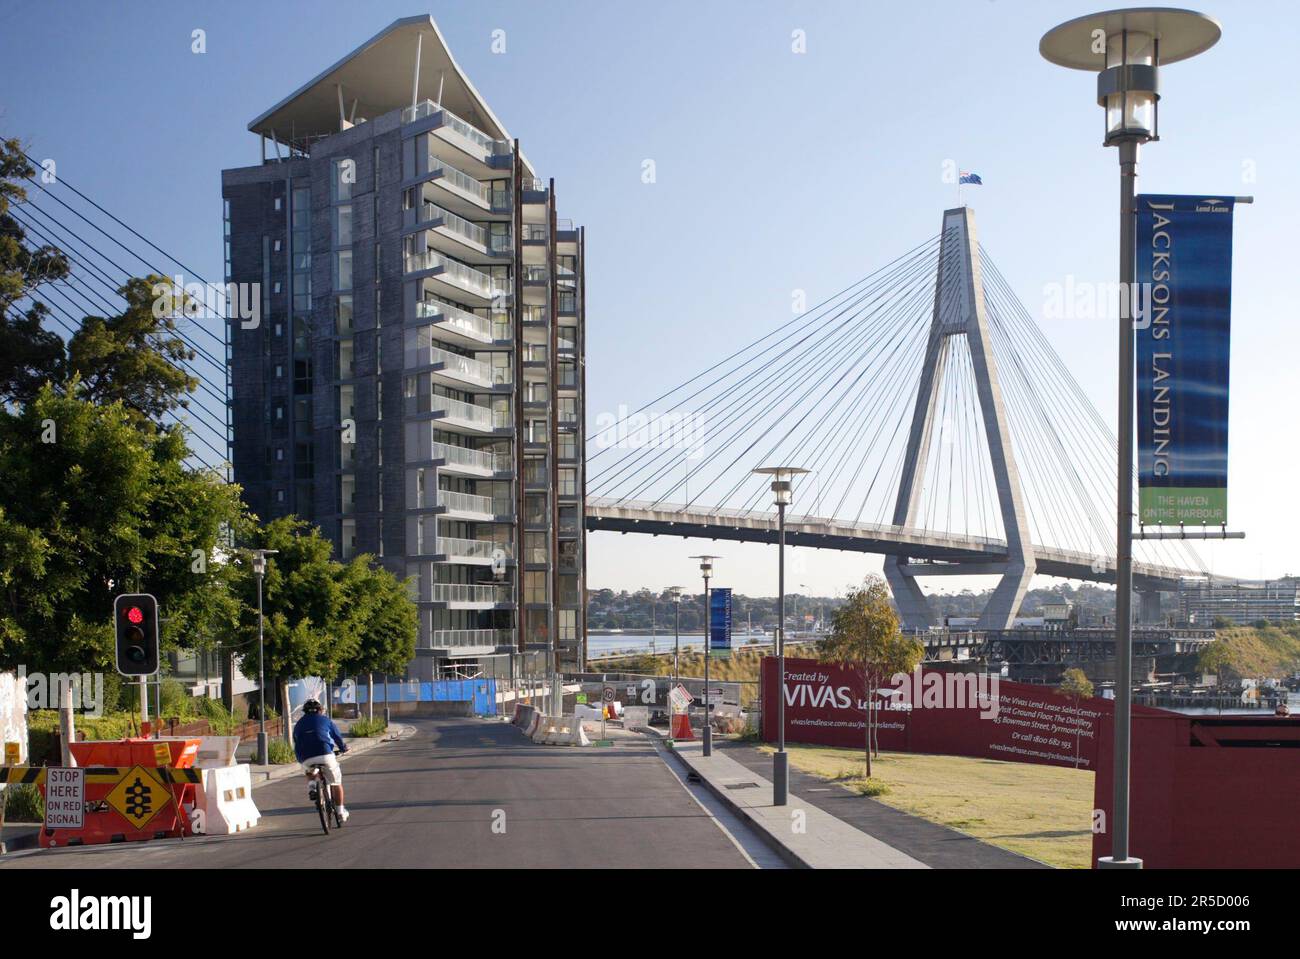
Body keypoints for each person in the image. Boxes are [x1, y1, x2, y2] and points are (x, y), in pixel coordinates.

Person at [293, 699, 350, 823]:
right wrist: (343, 748)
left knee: (309, 769)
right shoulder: (326, 720)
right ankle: (340, 812)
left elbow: (296, 741)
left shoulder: (298, 724)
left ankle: (312, 786)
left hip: (305, 757)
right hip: (325, 754)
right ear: (320, 710)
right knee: (336, 783)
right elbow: (337, 736)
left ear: (305, 711)